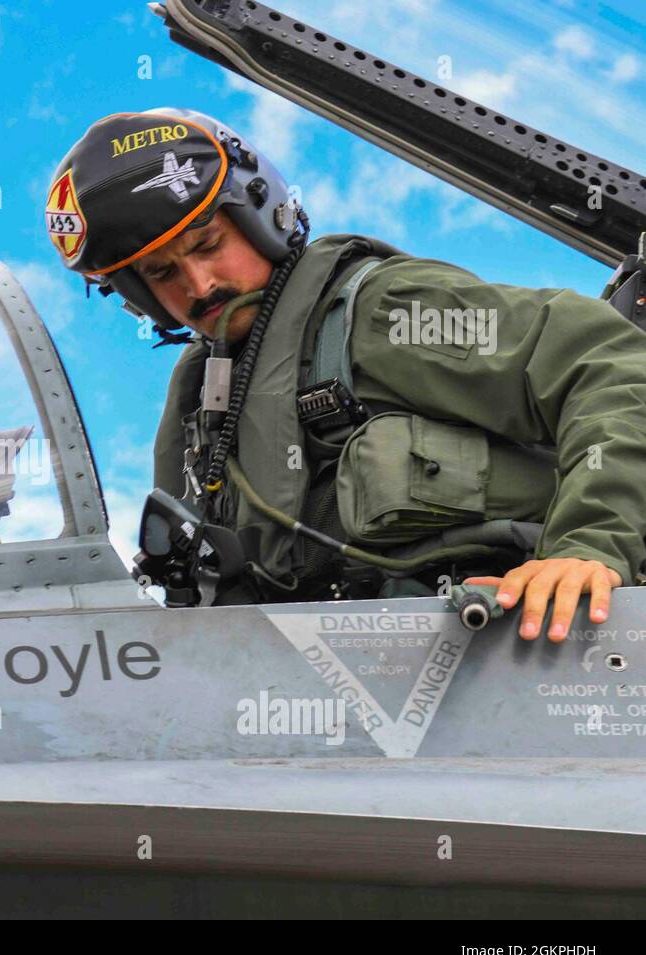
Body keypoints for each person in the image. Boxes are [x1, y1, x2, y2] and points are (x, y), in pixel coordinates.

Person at [45, 107, 646, 642]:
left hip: (518, 651)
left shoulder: (379, 311)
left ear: (258, 214)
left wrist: (587, 549)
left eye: (208, 244)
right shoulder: (199, 410)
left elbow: (610, 366)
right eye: (161, 271)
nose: (199, 286)